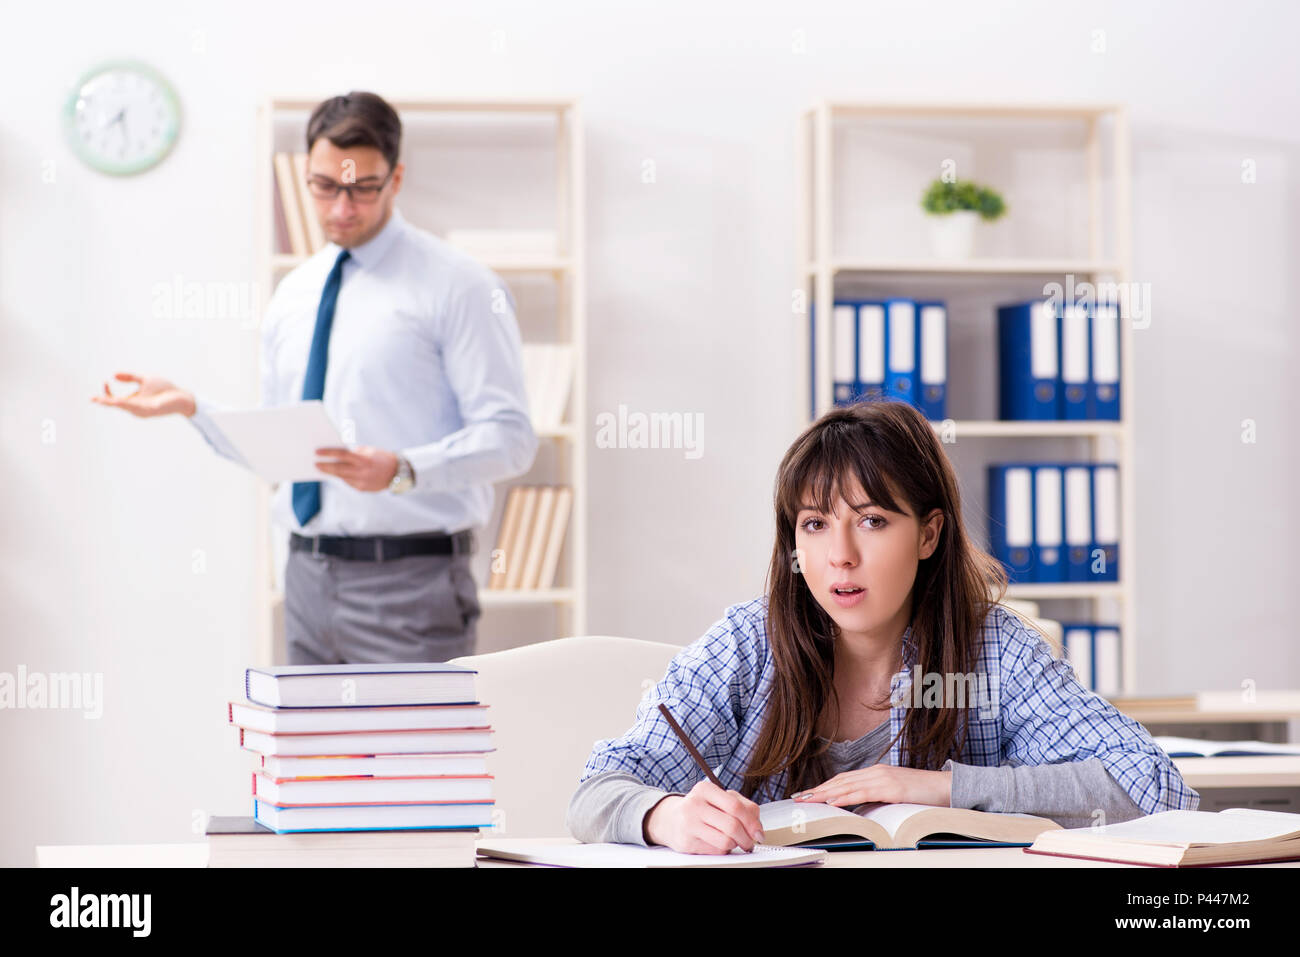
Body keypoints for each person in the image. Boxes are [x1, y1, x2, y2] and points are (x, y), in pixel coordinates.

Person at [566, 400, 1197, 854]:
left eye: (871, 520)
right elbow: (596, 791)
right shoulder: (745, 644)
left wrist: (945, 789)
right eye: (814, 524)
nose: (840, 554)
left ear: (928, 533)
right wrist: (664, 815)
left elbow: (1154, 787)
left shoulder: (996, 653)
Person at [92, 91, 537, 665]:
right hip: (306, 577)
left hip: (411, 585)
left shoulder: (461, 287)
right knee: (315, 758)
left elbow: (511, 438)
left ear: (396, 179)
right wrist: (193, 408)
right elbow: (283, 449)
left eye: (362, 188)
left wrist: (403, 470)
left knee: (406, 758)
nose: (341, 208)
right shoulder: (296, 293)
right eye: (325, 186)